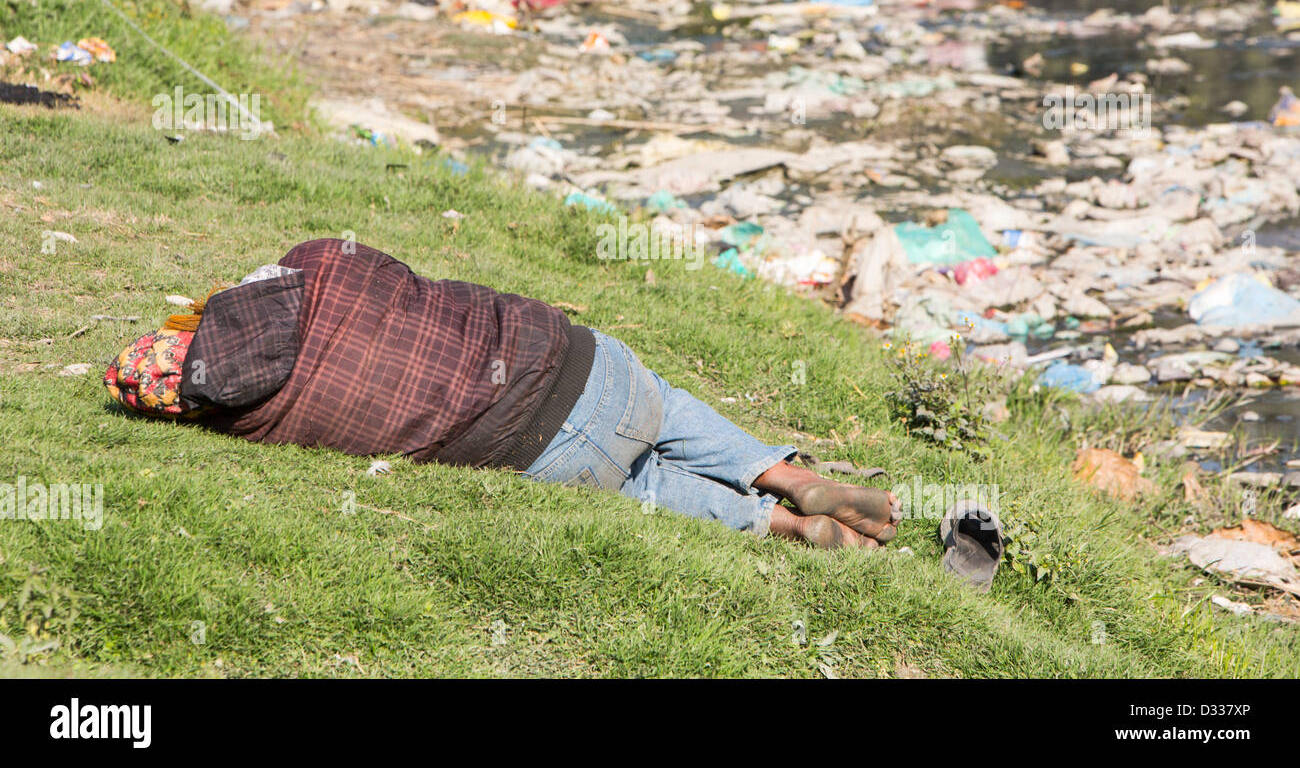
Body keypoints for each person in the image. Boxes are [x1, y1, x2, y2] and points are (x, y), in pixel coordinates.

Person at [105, 238, 901, 549]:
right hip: (589, 366)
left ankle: (782, 527)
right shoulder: (325, 264)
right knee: (664, 404)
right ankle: (784, 473)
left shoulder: (254, 420)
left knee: (642, 484)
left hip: (541, 455)